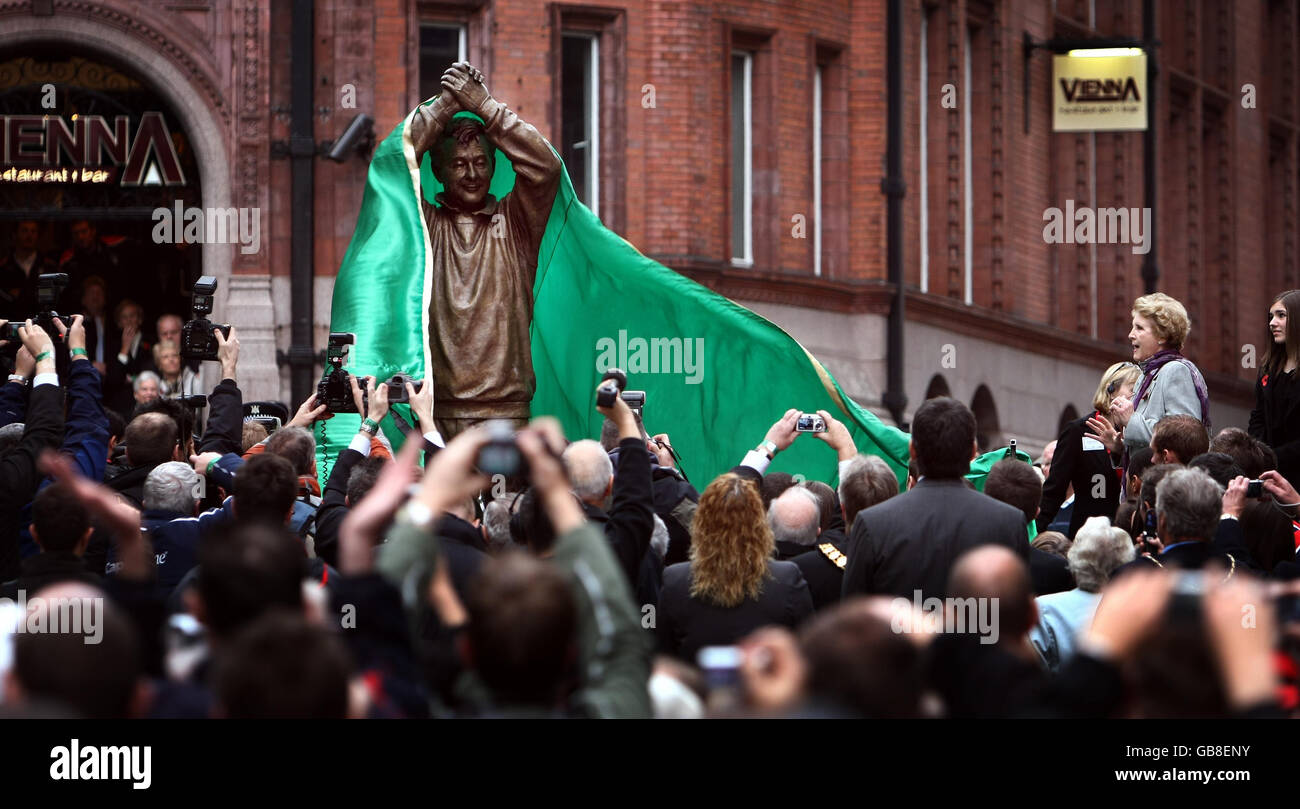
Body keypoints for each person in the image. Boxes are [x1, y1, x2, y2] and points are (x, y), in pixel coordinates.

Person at [407, 61, 562, 439]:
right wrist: (446, 105)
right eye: (458, 164)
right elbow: (397, 161)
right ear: (438, 172)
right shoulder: (423, 226)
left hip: (507, 414)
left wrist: (487, 109)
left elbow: (546, 167)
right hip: (441, 412)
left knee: (505, 502)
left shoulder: (517, 223)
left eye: (481, 162)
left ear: (495, 166)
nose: (473, 174)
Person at [840, 397, 1027, 601]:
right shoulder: (1009, 523)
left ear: (912, 450)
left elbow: (855, 612)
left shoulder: (873, 524)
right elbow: (1016, 614)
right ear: (973, 451)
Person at [656, 473, 813, 662]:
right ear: (760, 523)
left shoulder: (675, 580)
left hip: (700, 688)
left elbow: (664, 655)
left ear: (701, 524)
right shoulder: (787, 578)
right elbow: (805, 653)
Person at [1038, 361, 1141, 537]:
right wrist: (1036, 532)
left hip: (1129, 534)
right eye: (1133, 388)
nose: (1138, 395)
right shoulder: (1078, 431)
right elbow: (1055, 488)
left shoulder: (1139, 433)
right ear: (1111, 391)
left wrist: (1120, 452)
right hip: (1088, 535)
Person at [1109, 293, 1210, 460]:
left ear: (1162, 335)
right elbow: (1145, 450)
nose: (1130, 334)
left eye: (1139, 328)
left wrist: (1131, 420)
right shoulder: (1148, 374)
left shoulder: (1176, 371)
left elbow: (1184, 440)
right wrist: (1119, 448)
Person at [1029, 517, 1135, 671]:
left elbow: (1032, 671)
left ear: (1075, 557)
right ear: (1125, 561)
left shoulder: (1045, 609)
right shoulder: (1137, 611)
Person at [1249, 289, 1300, 488]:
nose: (1272, 323)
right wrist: (1257, 453)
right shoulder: (1267, 369)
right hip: (1269, 476)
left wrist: (1273, 457)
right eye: (1271, 316)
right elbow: (1258, 416)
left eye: (1281, 315)